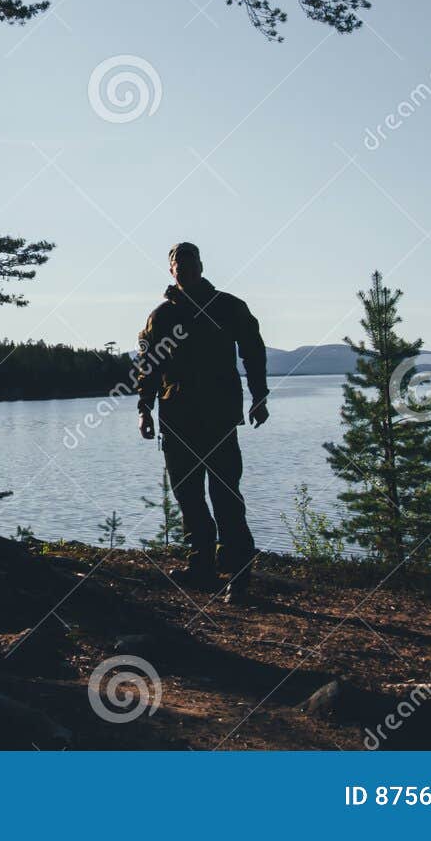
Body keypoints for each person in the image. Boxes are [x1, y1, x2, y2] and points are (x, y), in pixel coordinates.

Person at [135, 242, 269, 601]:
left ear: (202, 266)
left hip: (219, 417)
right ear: (171, 270)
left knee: (225, 494)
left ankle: (239, 573)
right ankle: (202, 566)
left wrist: (260, 396)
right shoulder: (160, 317)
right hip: (176, 417)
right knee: (188, 495)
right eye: (179, 264)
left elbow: (253, 349)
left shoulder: (227, 307)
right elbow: (149, 366)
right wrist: (144, 408)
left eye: (191, 262)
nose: (185, 268)